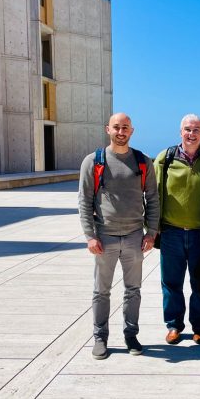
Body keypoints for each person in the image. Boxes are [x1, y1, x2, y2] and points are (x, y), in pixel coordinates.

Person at [78, 113, 160, 360]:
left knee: (133, 290)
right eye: (116, 127)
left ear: (132, 131)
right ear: (108, 130)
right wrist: (90, 236)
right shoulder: (93, 161)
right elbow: (85, 201)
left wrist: (151, 233)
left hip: (135, 237)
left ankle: (130, 335)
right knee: (101, 291)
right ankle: (100, 338)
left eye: (125, 127)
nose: (121, 132)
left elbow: (153, 199)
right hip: (105, 237)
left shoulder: (143, 161)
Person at [154, 114, 200, 346]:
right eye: (188, 129)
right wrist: (153, 228)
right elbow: (154, 194)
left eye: (196, 129)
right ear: (181, 132)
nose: (192, 133)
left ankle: (199, 328)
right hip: (171, 232)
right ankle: (174, 325)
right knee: (171, 282)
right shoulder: (165, 158)